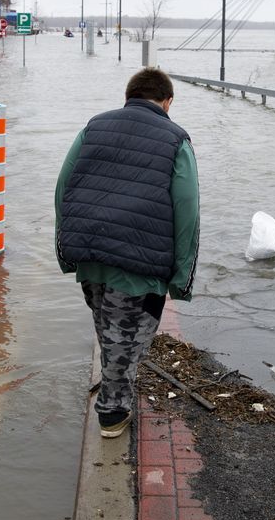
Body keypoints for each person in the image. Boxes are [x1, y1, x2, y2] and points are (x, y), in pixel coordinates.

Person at [55, 68, 200, 439]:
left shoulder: (94, 127)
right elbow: (187, 210)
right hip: (138, 265)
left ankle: (115, 393)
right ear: (168, 102)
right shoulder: (176, 139)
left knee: (110, 332)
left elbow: (63, 188)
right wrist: (180, 279)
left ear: (128, 96)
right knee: (125, 342)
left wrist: (66, 251)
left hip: (90, 255)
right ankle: (112, 412)